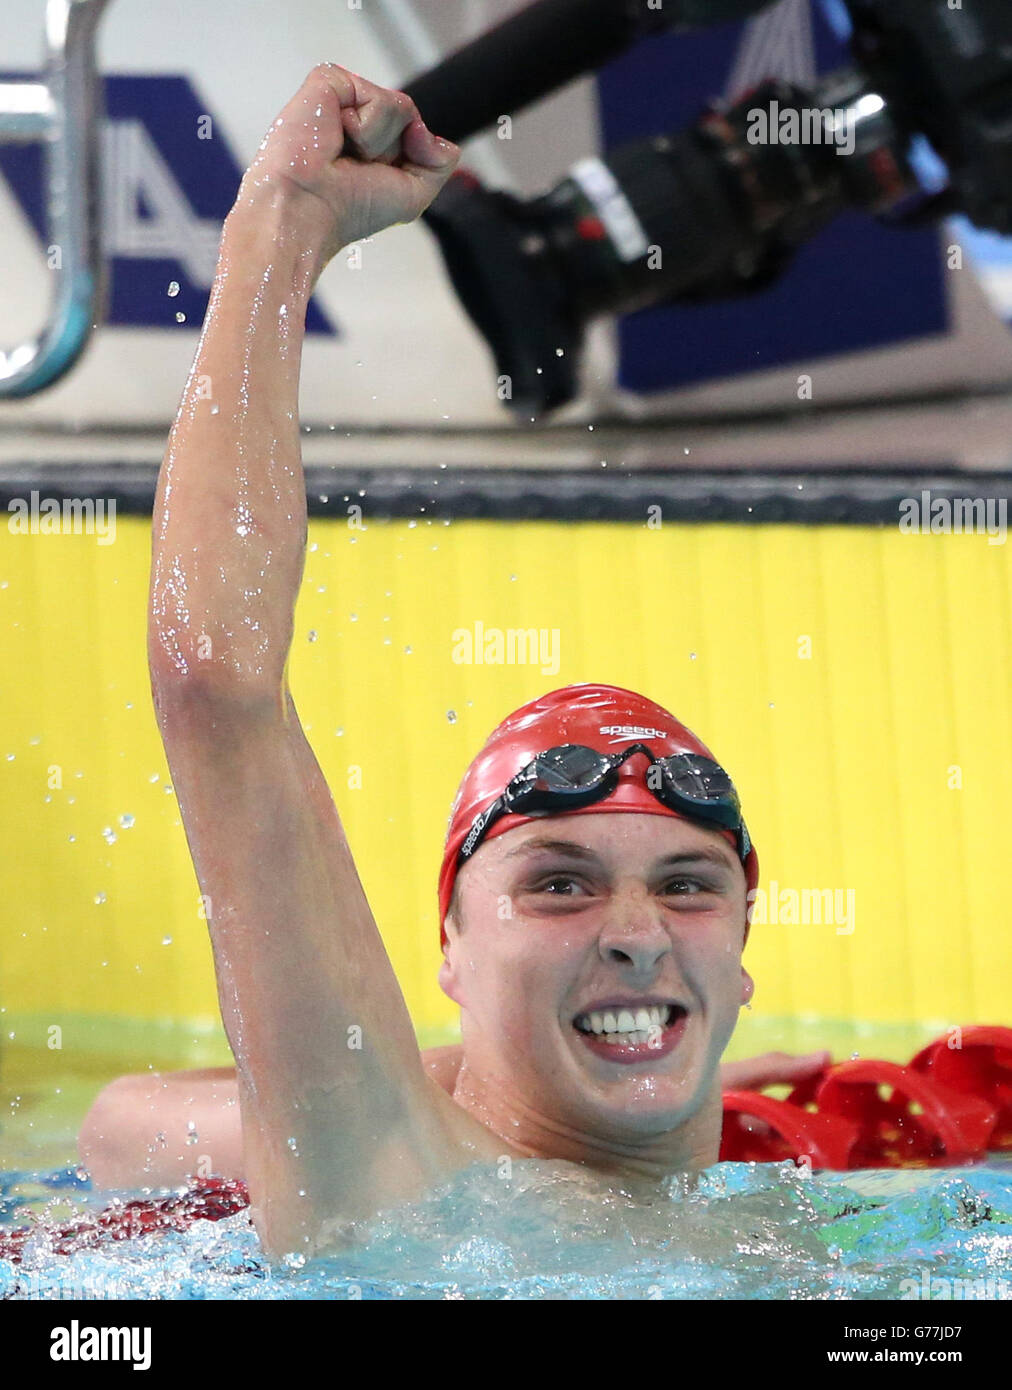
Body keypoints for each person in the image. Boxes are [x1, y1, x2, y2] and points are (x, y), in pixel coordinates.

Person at [80, 64, 827, 1259]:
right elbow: (219, 685)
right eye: (558, 884)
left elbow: (120, 1123)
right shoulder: (409, 1179)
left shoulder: (797, 1208)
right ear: (448, 954)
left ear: (742, 959)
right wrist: (281, 228)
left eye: (688, 887)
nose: (638, 931)